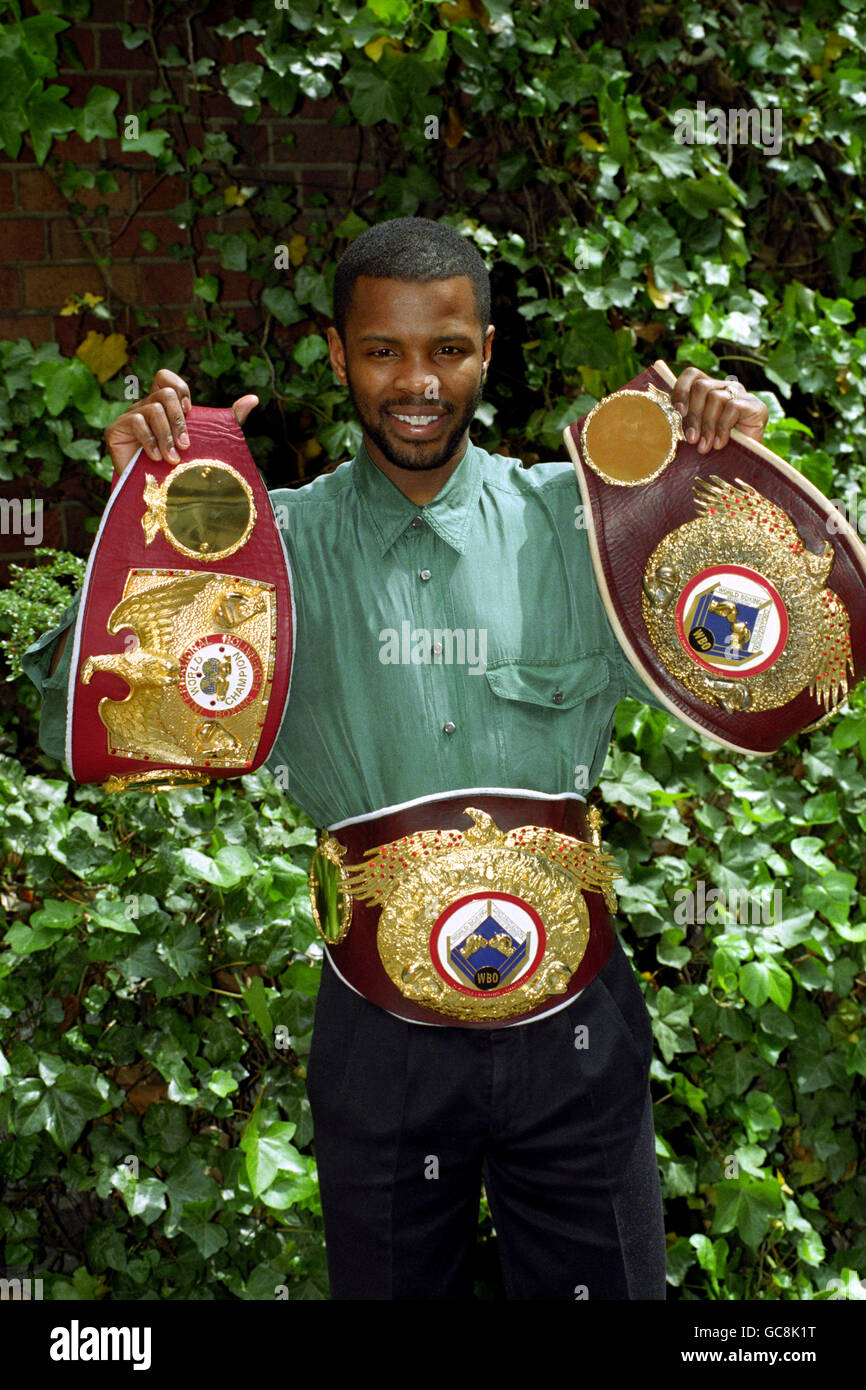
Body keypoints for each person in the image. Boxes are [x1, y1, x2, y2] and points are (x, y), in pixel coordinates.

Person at [23, 216, 770, 1301]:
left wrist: (730, 469)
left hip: (575, 1035)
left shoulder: (586, 524)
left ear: (485, 351)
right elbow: (80, 724)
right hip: (379, 1040)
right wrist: (142, 521)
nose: (416, 380)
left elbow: (771, 660)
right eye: (383, 351)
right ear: (337, 354)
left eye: (447, 349)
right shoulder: (261, 554)